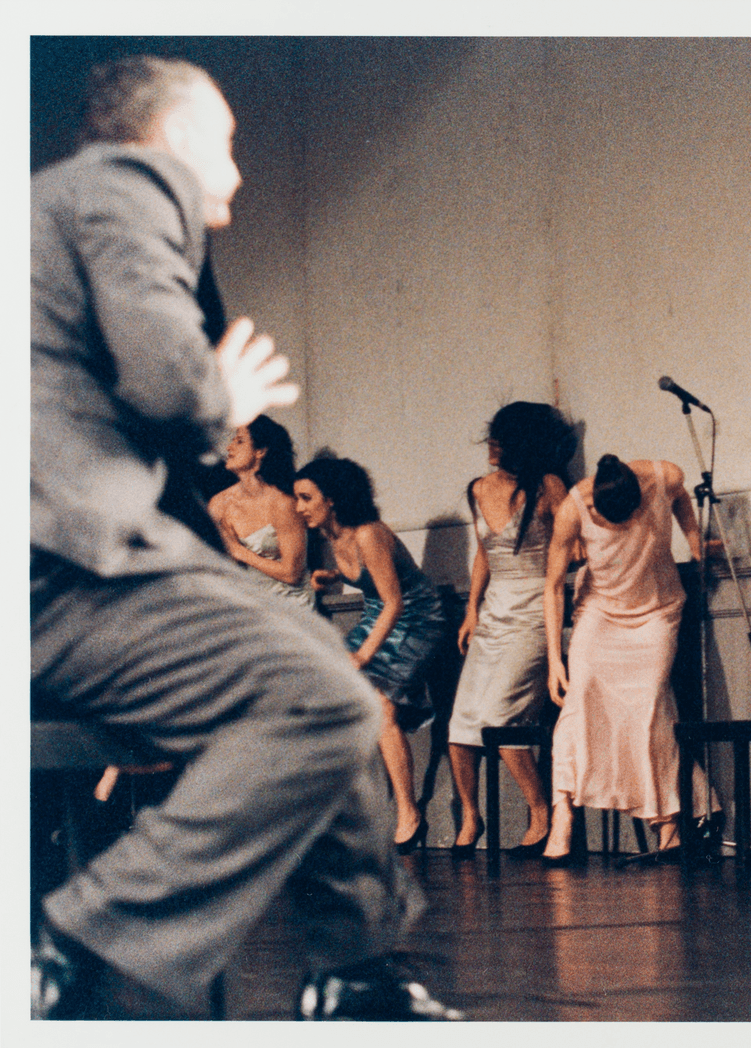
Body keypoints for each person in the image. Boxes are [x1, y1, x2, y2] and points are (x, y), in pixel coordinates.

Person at [31, 55, 460, 1019]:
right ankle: (85, 942)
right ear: (173, 138)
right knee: (322, 703)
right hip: (58, 572)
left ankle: (354, 967)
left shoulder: (46, 216)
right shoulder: (127, 183)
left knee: (317, 660)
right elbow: (163, 383)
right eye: (224, 144)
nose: (231, 176)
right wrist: (227, 396)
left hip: (79, 560)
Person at [540, 455, 709, 864]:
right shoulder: (572, 508)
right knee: (579, 700)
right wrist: (554, 660)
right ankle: (563, 809)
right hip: (600, 611)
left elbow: (682, 498)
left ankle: (665, 819)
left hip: (656, 611)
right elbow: (551, 586)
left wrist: (694, 541)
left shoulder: (664, 475)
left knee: (649, 707)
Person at [295, 456, 449, 854]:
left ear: (331, 499)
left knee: (381, 707)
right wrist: (330, 577)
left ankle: (409, 814)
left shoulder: (368, 533)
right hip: (379, 614)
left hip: (417, 618)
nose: (299, 508)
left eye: (306, 498)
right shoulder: (331, 534)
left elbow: (396, 601)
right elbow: (369, 584)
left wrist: (363, 656)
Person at [447, 402, 576, 858]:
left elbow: (574, 540)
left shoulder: (549, 486)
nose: (492, 444)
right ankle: (469, 816)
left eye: (502, 436)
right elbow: (484, 552)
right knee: (461, 722)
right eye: (491, 435)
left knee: (501, 713)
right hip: (494, 606)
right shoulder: (479, 489)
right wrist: (471, 608)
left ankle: (540, 812)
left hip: (535, 607)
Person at [208, 414, 315, 607]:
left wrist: (238, 551)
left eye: (239, 441)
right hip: (246, 603)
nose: (229, 448)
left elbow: (293, 573)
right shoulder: (219, 503)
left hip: (291, 606)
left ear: (260, 451)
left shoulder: (283, 502)